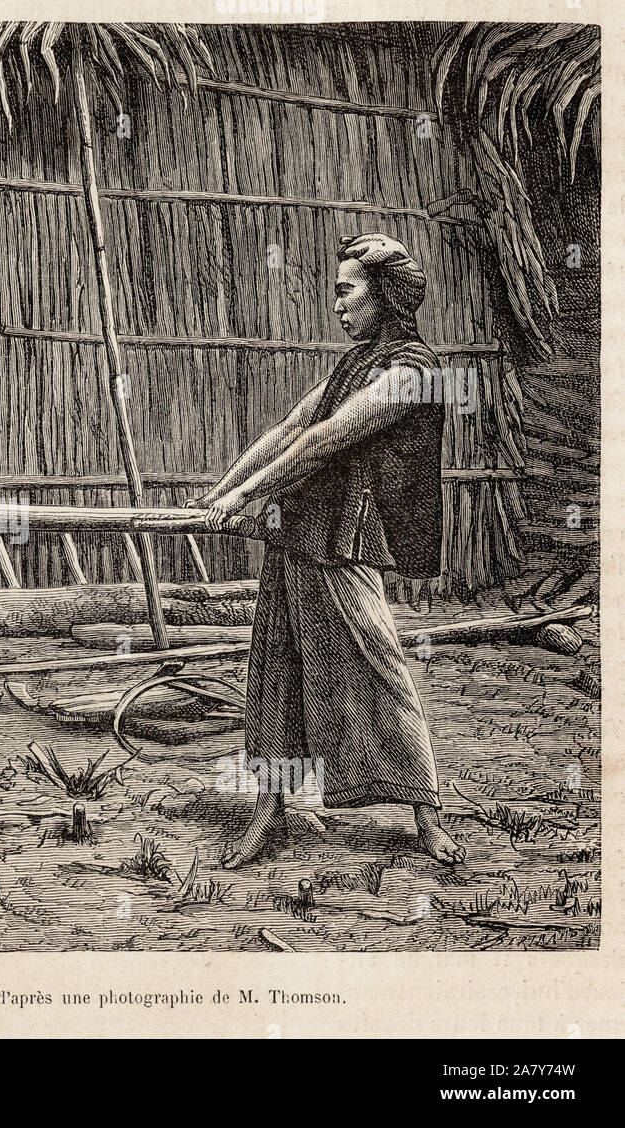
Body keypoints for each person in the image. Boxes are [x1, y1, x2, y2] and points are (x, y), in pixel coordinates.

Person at [194, 232, 465, 869]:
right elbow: (290, 428)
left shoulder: (413, 372)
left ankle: (426, 814)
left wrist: (246, 498)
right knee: (278, 674)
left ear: (387, 297)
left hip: (345, 542)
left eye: (348, 292)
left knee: (378, 667)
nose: (338, 306)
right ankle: (270, 815)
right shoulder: (352, 364)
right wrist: (222, 489)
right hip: (301, 532)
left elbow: (329, 440)